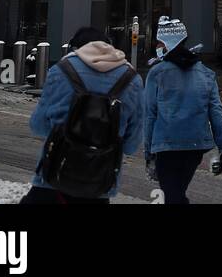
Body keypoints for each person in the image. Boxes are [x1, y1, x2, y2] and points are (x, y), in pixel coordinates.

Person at [21, 25, 144, 204]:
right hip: (100, 180)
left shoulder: (61, 70)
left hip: (55, 174)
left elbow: (38, 125)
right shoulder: (132, 79)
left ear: (76, 48)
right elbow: (131, 145)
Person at [144, 16, 222, 204]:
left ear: (167, 42)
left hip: (166, 146)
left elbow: (149, 115)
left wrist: (148, 153)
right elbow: (216, 112)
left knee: (172, 196)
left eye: (159, 41)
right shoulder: (205, 73)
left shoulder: (156, 73)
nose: (157, 45)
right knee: (176, 193)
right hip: (195, 146)